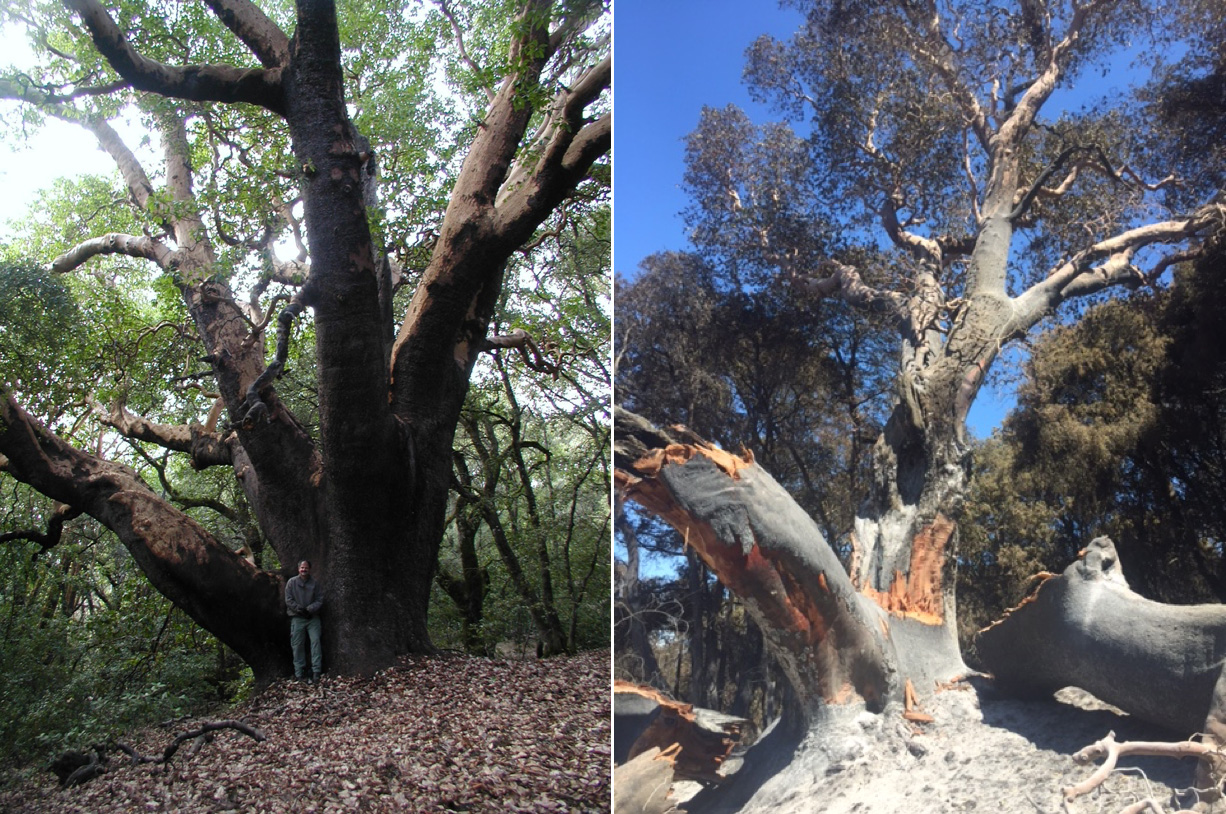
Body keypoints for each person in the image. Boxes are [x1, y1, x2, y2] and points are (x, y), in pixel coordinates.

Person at [284, 560, 324, 683]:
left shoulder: (315, 583)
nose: (304, 570)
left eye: (306, 568)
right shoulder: (291, 583)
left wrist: (310, 609)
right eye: (302, 568)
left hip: (312, 618)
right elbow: (288, 599)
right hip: (297, 618)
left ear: (309, 569)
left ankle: (316, 671)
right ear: (298, 569)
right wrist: (299, 609)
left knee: (315, 642)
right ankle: (299, 673)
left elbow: (319, 599)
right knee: (297, 645)